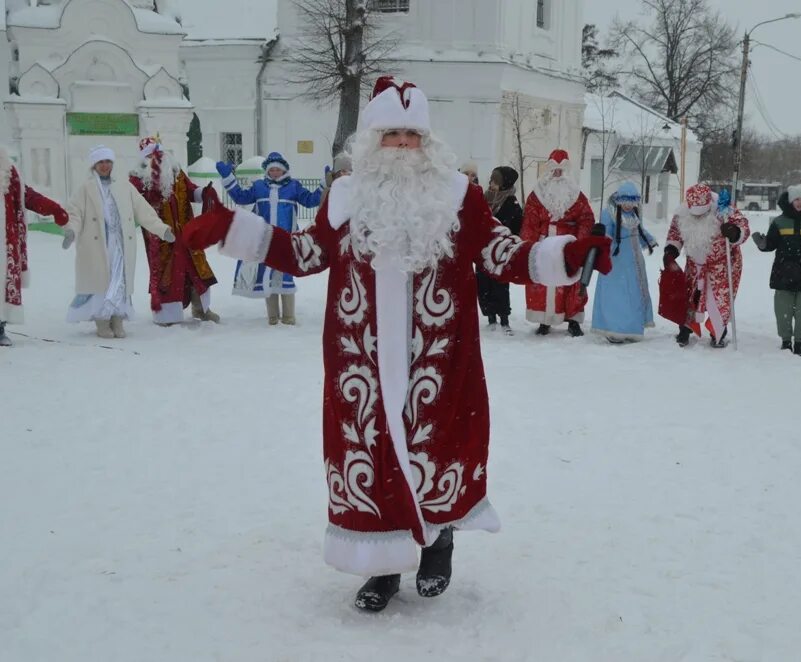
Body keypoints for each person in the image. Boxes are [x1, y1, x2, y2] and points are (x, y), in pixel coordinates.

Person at [181, 76, 611, 613]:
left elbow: (502, 254)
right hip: (359, 363)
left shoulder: (459, 196)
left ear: (427, 142)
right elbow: (304, 255)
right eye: (391, 135)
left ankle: (438, 541)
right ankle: (381, 564)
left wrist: (565, 255)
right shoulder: (343, 199)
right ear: (370, 141)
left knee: (436, 450)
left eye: (412, 134)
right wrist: (232, 229)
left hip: (440, 361)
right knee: (371, 453)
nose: (403, 145)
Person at [64, 146, 175, 339]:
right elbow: (75, 213)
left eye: (108, 162)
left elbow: (144, 210)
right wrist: (71, 231)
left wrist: (161, 229)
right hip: (97, 245)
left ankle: (117, 318)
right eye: (101, 162)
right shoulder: (85, 189)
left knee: (119, 281)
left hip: (120, 244)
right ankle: (102, 320)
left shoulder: (124, 186)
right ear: (94, 165)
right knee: (101, 282)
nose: (105, 166)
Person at [216, 152, 323, 325]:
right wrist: (228, 177)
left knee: (286, 275)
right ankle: (272, 316)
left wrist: (325, 184)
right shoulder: (259, 186)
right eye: (271, 169)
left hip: (288, 240)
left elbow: (310, 200)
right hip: (265, 240)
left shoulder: (293, 187)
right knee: (268, 275)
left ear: (284, 170)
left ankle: (288, 316)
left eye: (277, 170)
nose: (274, 172)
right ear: (267, 170)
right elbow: (240, 197)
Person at [129, 136, 222, 325]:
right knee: (168, 274)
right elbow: (134, 206)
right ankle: (167, 316)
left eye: (160, 154)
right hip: (161, 238)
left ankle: (201, 308)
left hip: (186, 232)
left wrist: (203, 193)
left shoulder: (176, 172)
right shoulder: (138, 180)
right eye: (153, 156)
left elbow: (190, 191)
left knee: (196, 268)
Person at [520, 149, 596, 337]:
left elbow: (586, 218)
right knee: (543, 280)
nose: (557, 174)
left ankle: (573, 320)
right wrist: (527, 245)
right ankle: (544, 320)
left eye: (561, 170)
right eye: (554, 170)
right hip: (544, 244)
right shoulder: (537, 194)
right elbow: (530, 220)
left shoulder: (576, 195)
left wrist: (579, 242)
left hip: (567, 245)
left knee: (571, 282)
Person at [664, 183, 749, 348]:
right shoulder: (682, 214)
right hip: (694, 265)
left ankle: (718, 333)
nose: (697, 217)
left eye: (701, 214)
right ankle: (685, 329)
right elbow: (675, 233)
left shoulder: (724, 211)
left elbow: (743, 225)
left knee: (720, 301)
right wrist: (671, 250)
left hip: (721, 266)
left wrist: (734, 232)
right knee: (690, 299)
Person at [0, 146, 69, 347]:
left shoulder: (8, 172)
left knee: (2, 280)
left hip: (3, 241)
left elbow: (27, 196)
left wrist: (55, 210)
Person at [752, 184, 801, 356]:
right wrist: (763, 244)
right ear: (790, 200)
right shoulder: (779, 222)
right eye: (796, 199)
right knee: (782, 309)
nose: (800, 203)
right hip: (783, 270)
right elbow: (771, 244)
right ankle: (786, 341)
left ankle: (799, 342)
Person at [591, 181, 658, 342]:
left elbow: (639, 231)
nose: (628, 206)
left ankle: (632, 328)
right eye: (625, 202)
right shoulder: (609, 213)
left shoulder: (634, 213)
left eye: (631, 202)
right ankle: (614, 328)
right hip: (616, 261)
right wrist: (602, 240)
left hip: (634, 261)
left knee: (634, 293)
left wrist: (649, 241)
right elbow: (606, 233)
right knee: (617, 294)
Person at [476, 166, 523, 334]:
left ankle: (504, 319)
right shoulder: (484, 198)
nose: (492, 184)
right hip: (483, 250)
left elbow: (517, 227)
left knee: (500, 286)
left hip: (502, 252)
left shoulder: (511, 202)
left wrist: (509, 243)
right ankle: (490, 317)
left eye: (496, 181)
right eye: (491, 180)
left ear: (504, 184)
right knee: (484, 285)